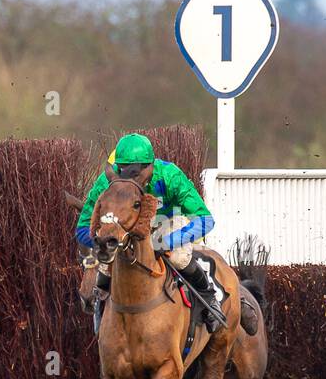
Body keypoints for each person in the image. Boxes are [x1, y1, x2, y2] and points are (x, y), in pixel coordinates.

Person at [74, 133, 224, 333]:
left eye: (137, 172)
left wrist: (169, 241)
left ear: (150, 166)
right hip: (126, 227)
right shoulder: (106, 182)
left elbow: (205, 219)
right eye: (124, 170)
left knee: (179, 258)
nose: (131, 177)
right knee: (104, 267)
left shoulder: (169, 175)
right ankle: (101, 318)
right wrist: (102, 241)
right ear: (117, 167)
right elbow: (83, 227)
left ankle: (209, 298)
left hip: (166, 221)